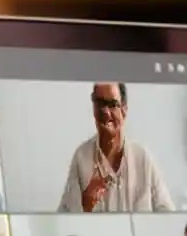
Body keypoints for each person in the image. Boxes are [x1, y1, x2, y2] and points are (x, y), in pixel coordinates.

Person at [57, 82, 174, 213]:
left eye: (112, 104)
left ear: (124, 111)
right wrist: (85, 205)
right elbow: (63, 216)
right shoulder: (81, 157)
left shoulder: (142, 158)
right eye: (99, 103)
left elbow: (167, 212)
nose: (105, 111)